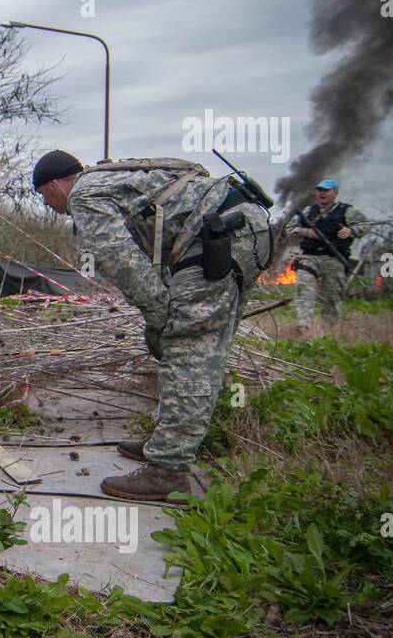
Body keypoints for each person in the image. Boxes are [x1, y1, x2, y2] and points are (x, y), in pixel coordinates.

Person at [31, 149, 272, 502]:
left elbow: (117, 257)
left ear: (55, 184)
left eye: (42, 195)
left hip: (218, 236)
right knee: (206, 349)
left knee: (185, 347)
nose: (47, 205)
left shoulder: (83, 193)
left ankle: (167, 470)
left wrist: (159, 313)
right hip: (241, 229)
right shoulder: (114, 180)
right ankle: (171, 442)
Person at [289, 179, 370, 328]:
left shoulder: (346, 210)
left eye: (325, 190)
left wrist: (351, 230)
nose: (321, 193)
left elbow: (364, 225)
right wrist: (308, 232)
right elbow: (291, 228)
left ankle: (328, 329)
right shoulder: (308, 211)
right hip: (310, 256)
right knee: (304, 288)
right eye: (319, 190)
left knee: (333, 296)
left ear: (335, 193)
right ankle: (303, 325)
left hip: (334, 258)